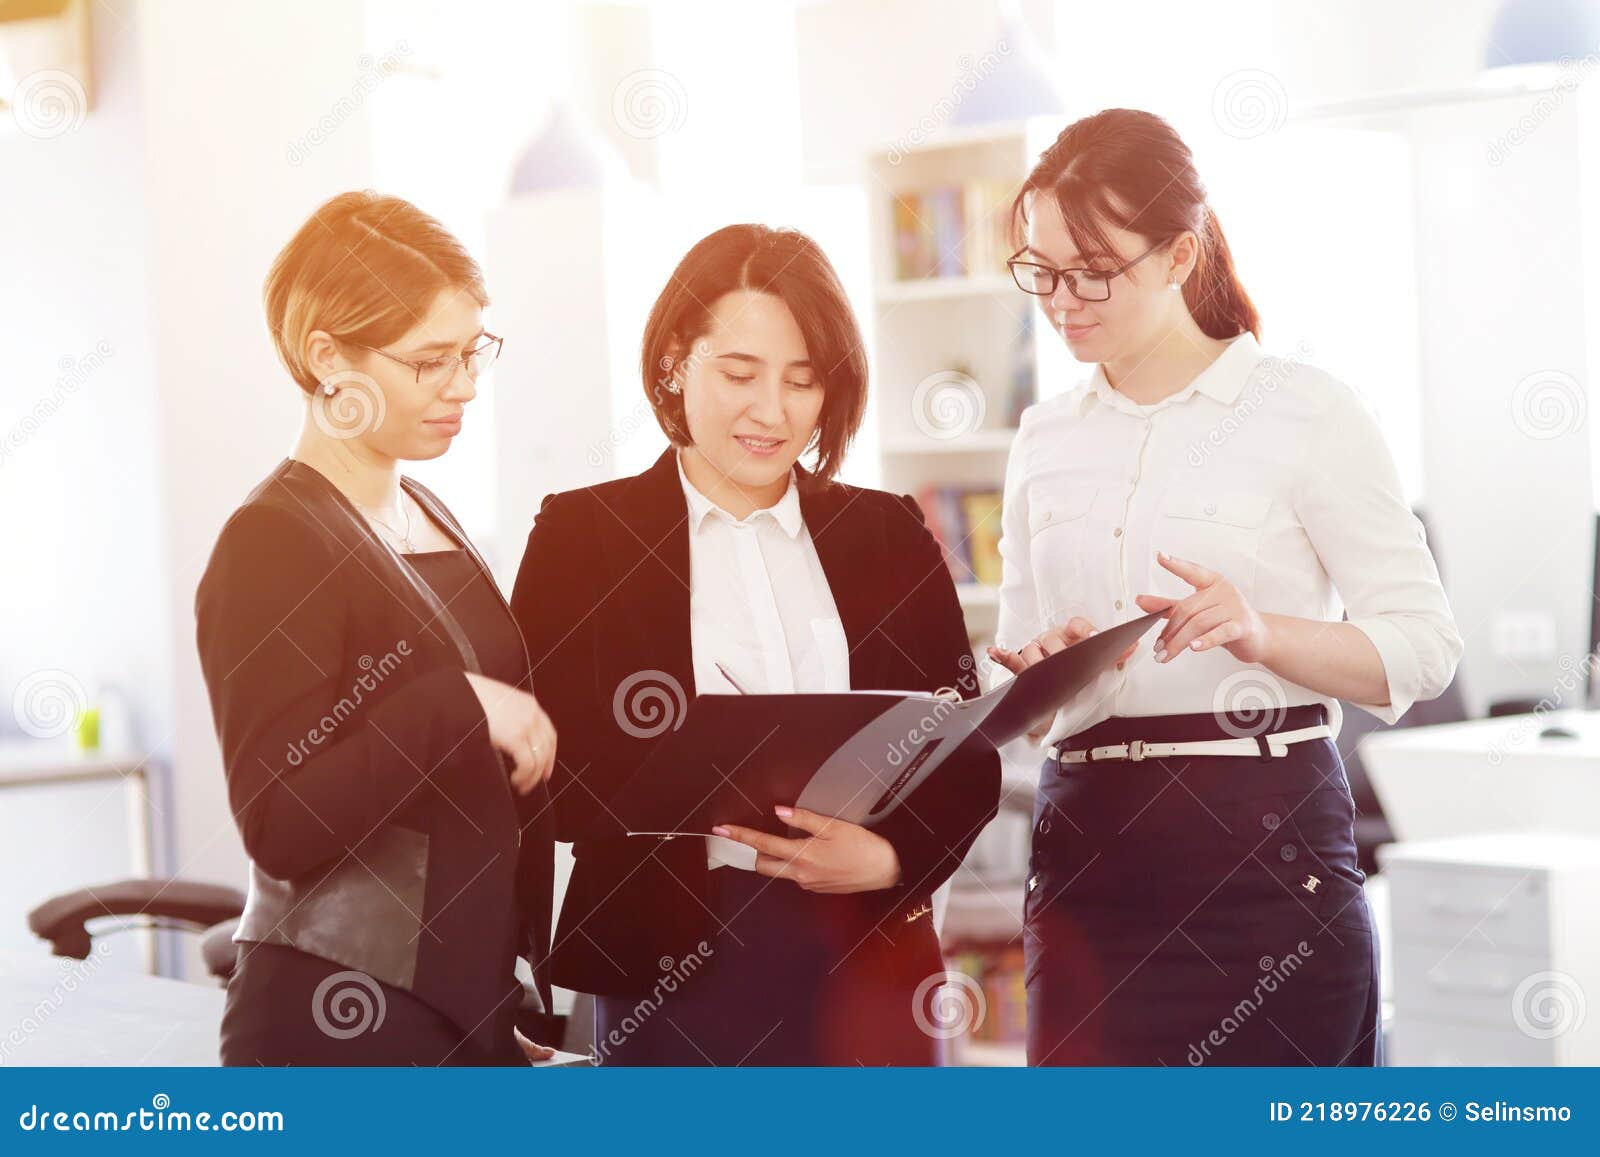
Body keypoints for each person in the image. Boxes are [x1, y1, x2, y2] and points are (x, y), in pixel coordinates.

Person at [990, 109, 1463, 1066]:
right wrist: (1038, 675)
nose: (1063, 300)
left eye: (1093, 271)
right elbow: (1020, 695)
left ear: (1180, 253)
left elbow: (1425, 647)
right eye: (1041, 270)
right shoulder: (1043, 437)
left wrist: (1261, 631)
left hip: (1265, 863)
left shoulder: (1307, 410)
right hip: (1087, 862)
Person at [511, 224, 1001, 1065]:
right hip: (668, 960)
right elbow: (537, 767)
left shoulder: (887, 533)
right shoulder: (582, 537)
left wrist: (891, 855)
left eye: (802, 381)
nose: (772, 412)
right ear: (675, 361)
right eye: (740, 374)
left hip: (870, 952)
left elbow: (964, 748)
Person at [195, 191, 557, 1066]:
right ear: (328, 358)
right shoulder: (273, 539)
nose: (463, 386)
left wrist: (490, 998)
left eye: (471, 353)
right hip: (336, 1023)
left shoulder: (426, 509)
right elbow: (279, 824)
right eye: (430, 361)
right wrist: (457, 703)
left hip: (459, 1013)